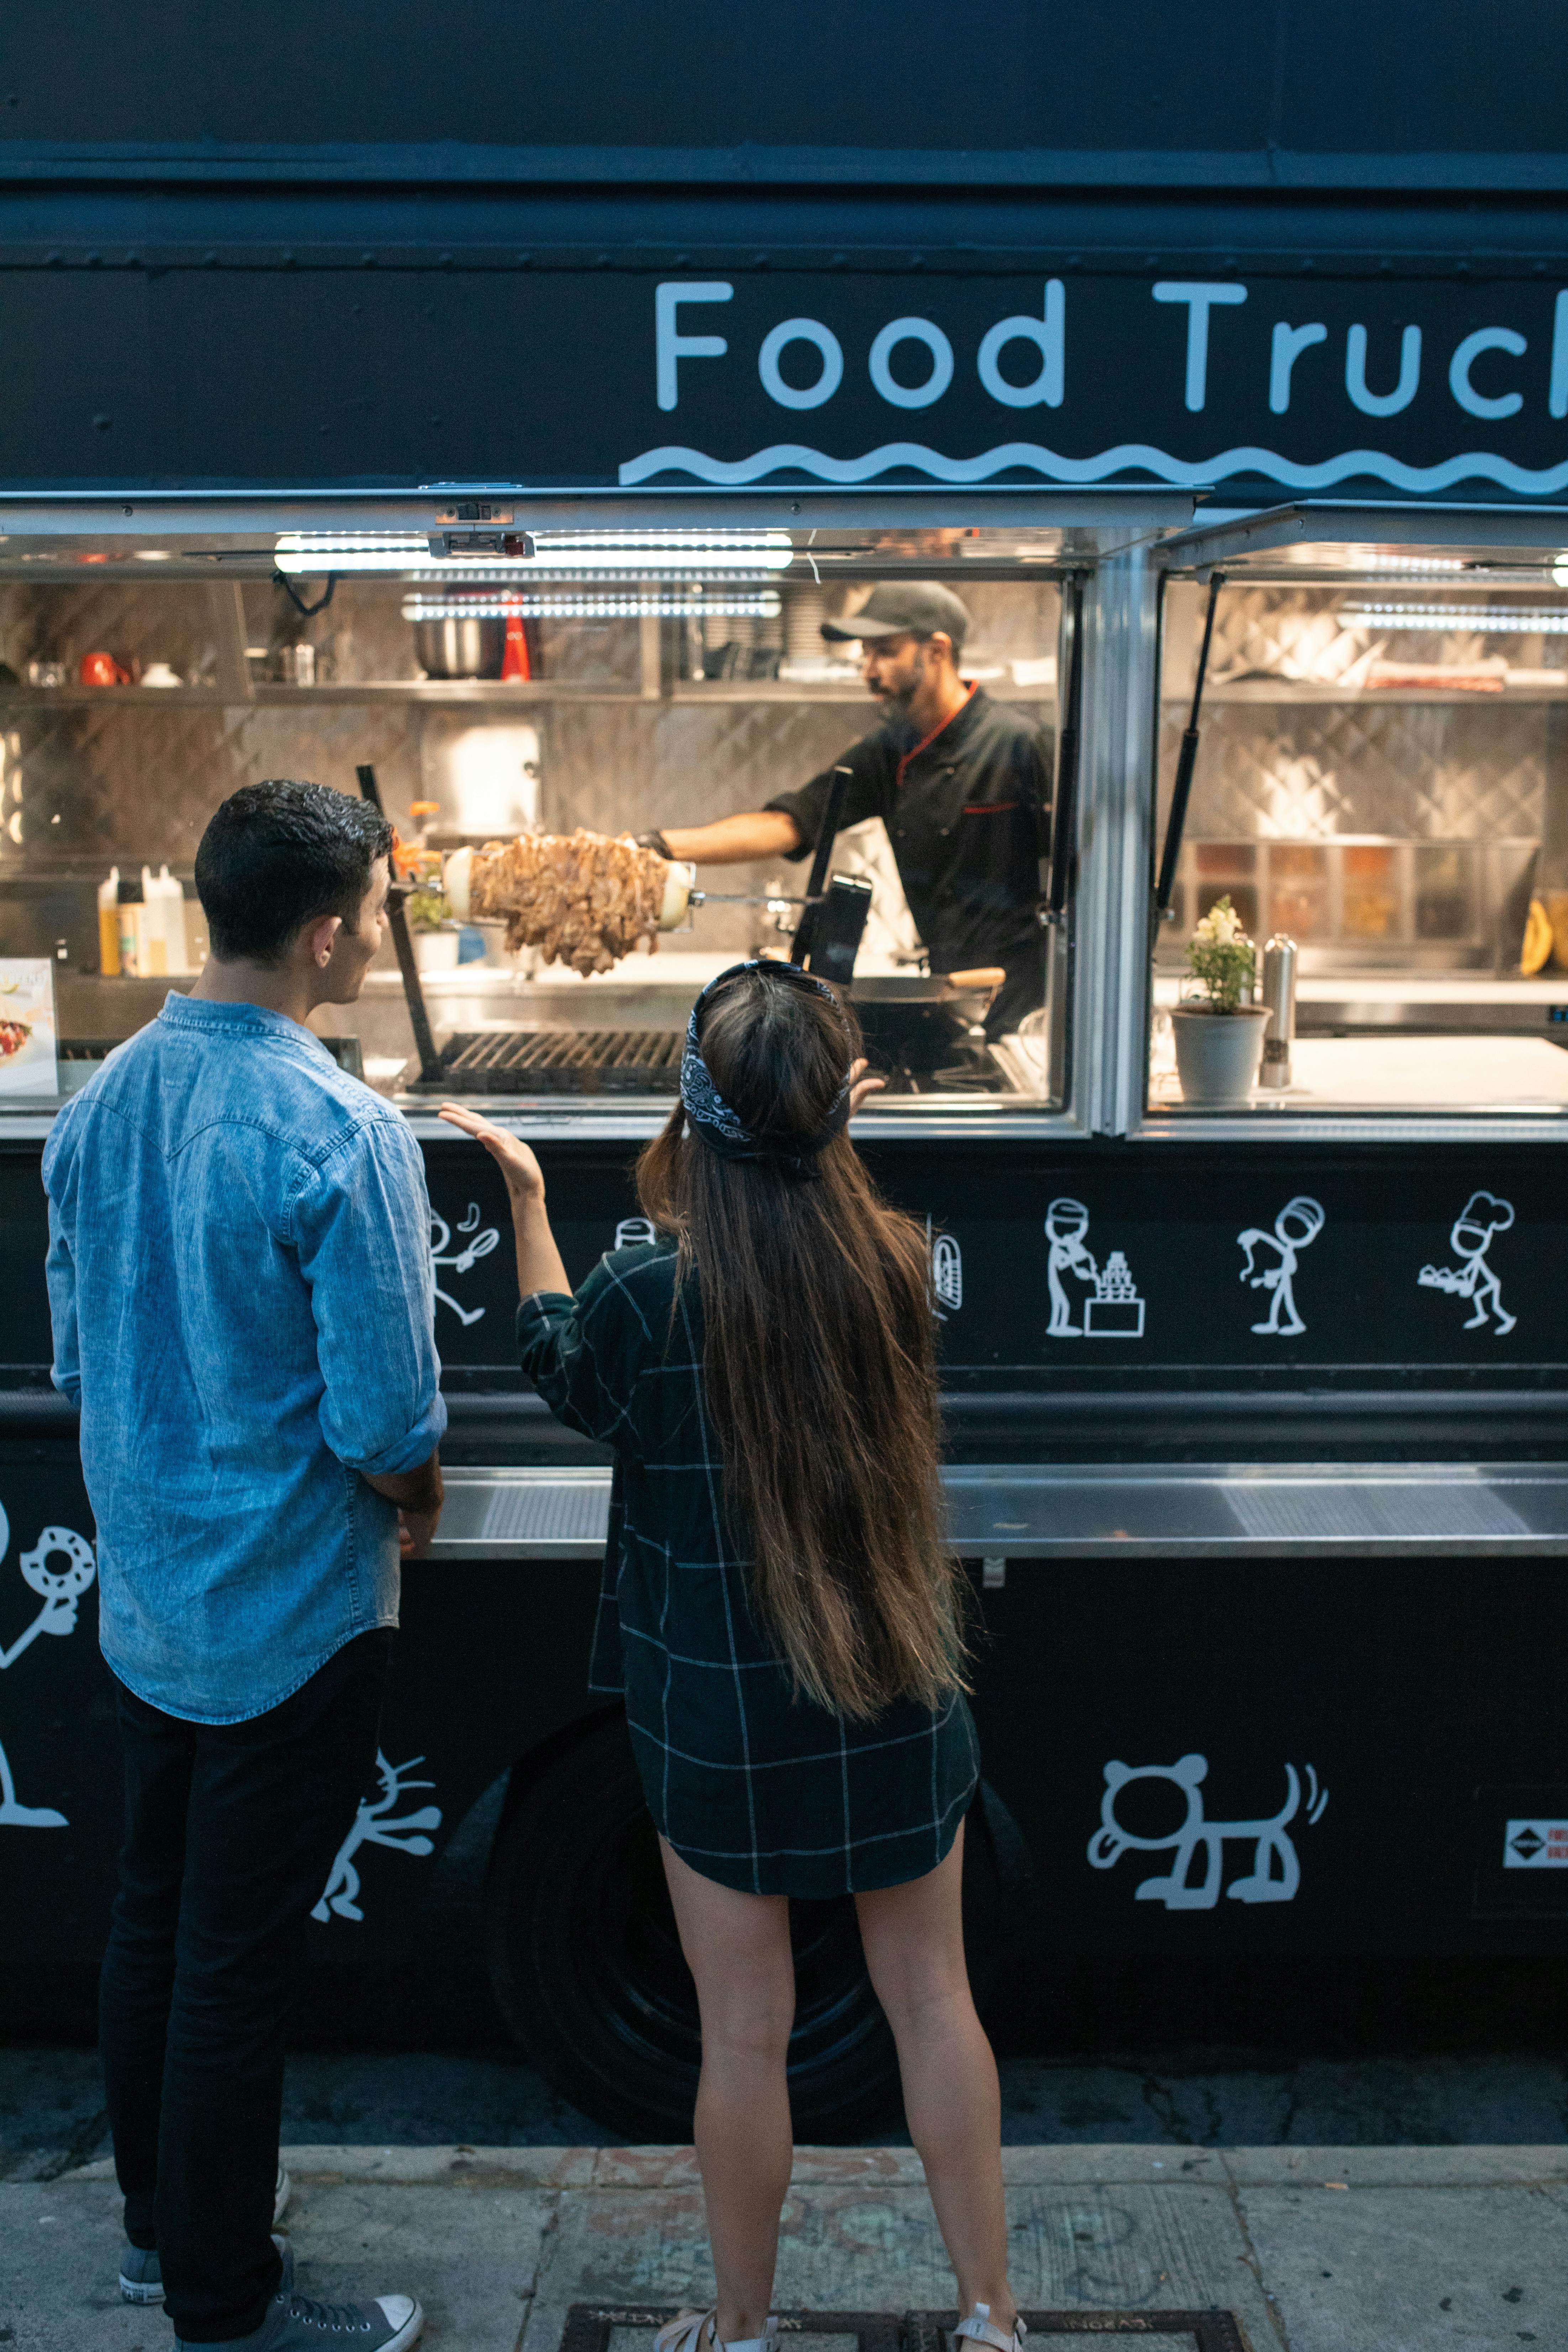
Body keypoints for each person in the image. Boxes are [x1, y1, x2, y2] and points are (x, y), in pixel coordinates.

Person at [440, 960, 1023, 2352]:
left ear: (690, 1109)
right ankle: (992, 2317)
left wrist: (526, 1200)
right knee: (935, 1998)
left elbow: (561, 1363)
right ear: (839, 1110)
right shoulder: (893, 1262)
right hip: (892, 1678)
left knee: (742, 2030)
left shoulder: (648, 1287)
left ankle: (743, 2324)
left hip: (714, 1716)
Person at [42, 781, 445, 2352]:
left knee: (154, 1916)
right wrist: (413, 1494)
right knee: (232, 1964)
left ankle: (160, 2231)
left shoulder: (96, 1108)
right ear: (330, 930)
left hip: (150, 1596)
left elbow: (84, 1355)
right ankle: (226, 2299)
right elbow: (387, 1415)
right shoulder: (341, 1129)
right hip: (292, 1603)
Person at [642, 582, 1053, 1039]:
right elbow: (792, 823)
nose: (868, 671)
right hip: (949, 996)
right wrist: (657, 847)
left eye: (884, 653)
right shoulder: (890, 750)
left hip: (1030, 1006)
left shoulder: (1019, 743)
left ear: (937, 650)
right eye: (864, 654)